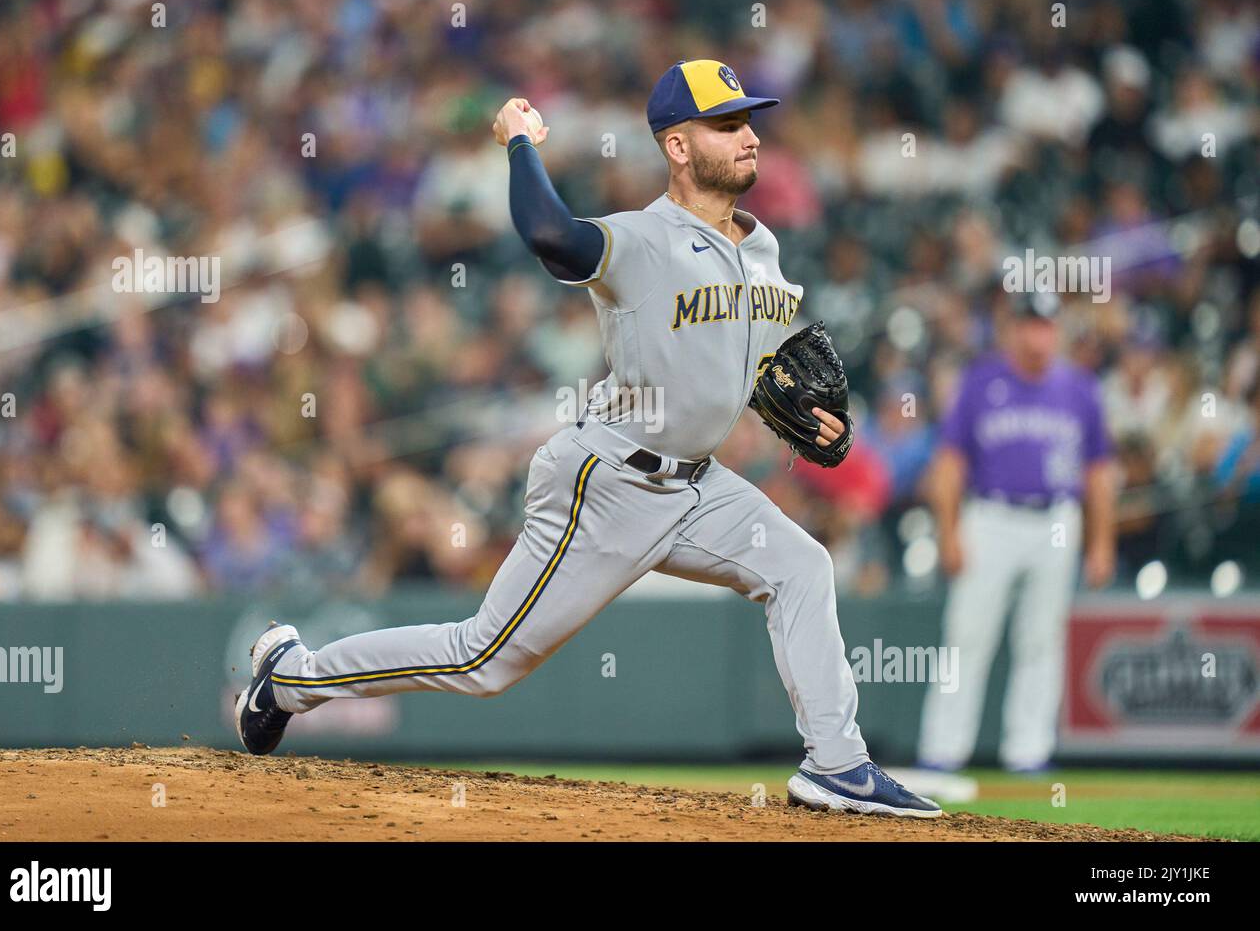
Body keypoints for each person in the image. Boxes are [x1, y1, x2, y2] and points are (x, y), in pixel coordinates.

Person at [233, 59, 941, 817]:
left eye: (749, 121)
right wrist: (519, 143)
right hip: (607, 483)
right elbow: (549, 234)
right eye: (727, 124)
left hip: (698, 487)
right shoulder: (643, 238)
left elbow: (756, 370)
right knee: (485, 658)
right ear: (677, 146)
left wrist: (798, 413)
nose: (749, 137)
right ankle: (290, 675)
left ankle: (837, 763)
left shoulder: (762, 250)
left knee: (802, 567)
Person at [918, 288, 1117, 773]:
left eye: (1046, 325)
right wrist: (949, 531)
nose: (1038, 334)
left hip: (1056, 519)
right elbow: (949, 464)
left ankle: (1028, 752)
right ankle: (942, 751)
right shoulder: (982, 380)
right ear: (1012, 329)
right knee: (967, 636)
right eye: (1029, 324)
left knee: (1042, 640)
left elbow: (1099, 473)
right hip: (991, 516)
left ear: (1057, 330)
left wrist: (1101, 541)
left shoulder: (1080, 388)